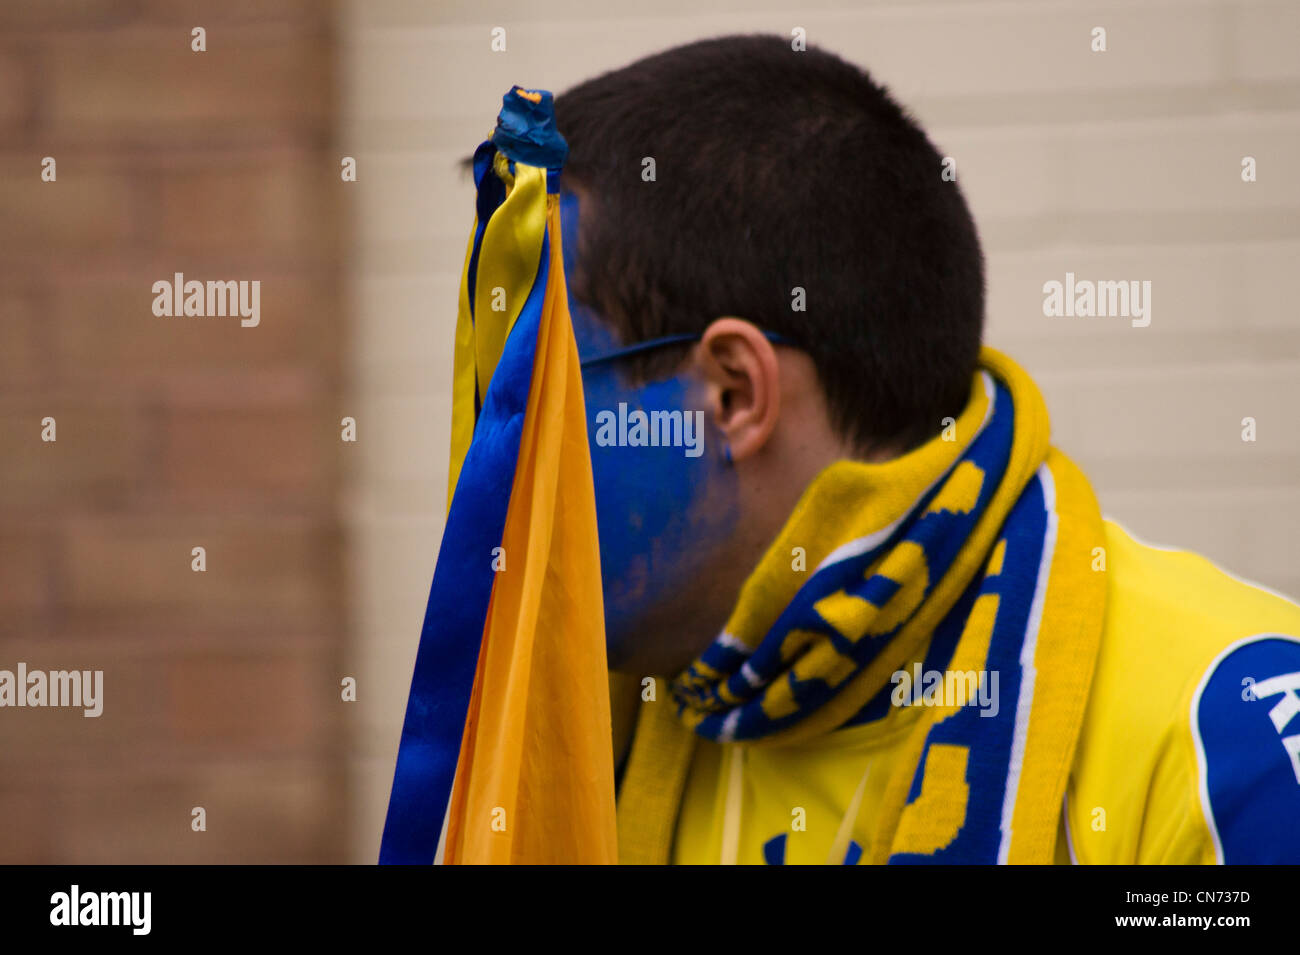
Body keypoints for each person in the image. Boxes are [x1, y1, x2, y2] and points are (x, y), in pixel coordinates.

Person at [549, 34, 1300, 864]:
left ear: (732, 395)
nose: (496, 462)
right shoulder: (582, 738)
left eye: (544, 391)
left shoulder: (1229, 740)